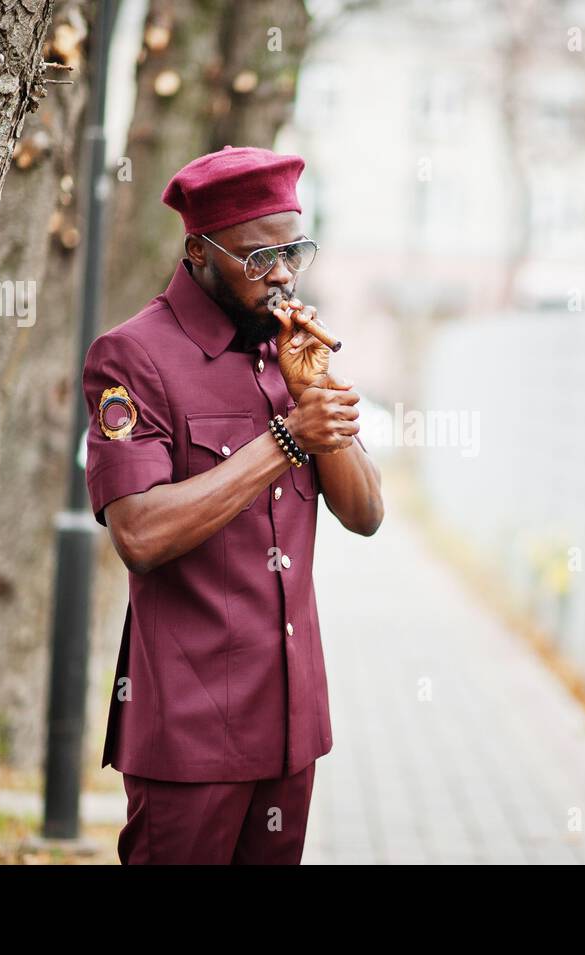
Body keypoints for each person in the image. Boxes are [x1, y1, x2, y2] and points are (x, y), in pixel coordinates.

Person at [81, 145, 384, 864]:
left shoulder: (290, 352)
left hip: (290, 725)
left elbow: (367, 513)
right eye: (257, 258)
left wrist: (313, 395)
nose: (281, 274)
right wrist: (287, 437)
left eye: (294, 251)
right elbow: (141, 533)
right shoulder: (132, 357)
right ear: (198, 252)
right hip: (189, 733)